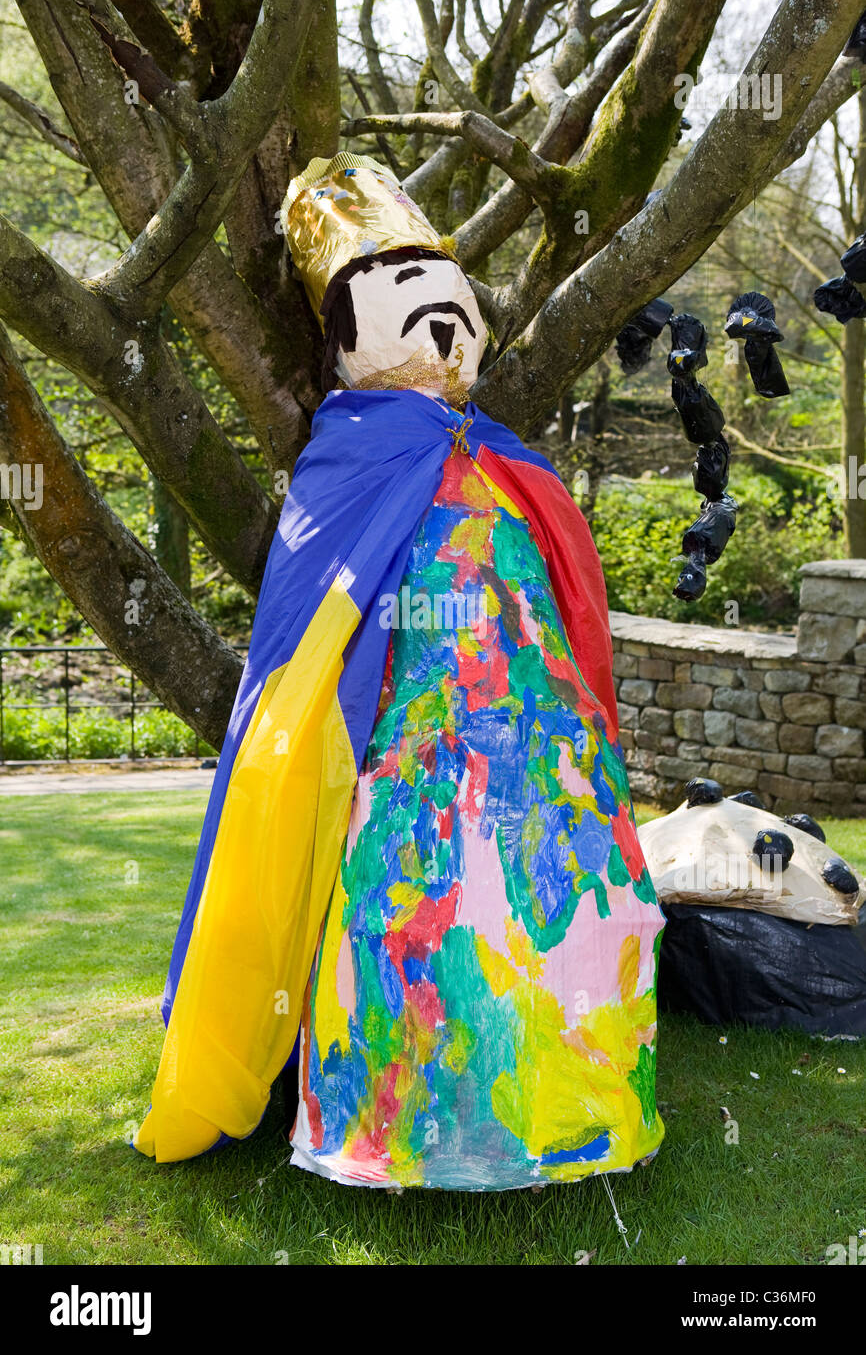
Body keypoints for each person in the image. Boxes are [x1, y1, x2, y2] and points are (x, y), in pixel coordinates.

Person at [134, 153, 665, 1190]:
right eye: (405, 307)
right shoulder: (346, 462)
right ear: (342, 342)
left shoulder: (508, 460)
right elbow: (311, 633)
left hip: (541, 764)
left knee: (560, 920)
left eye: (453, 307)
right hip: (406, 763)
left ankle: (565, 1119)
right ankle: (414, 1134)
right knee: (417, 928)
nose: (441, 331)